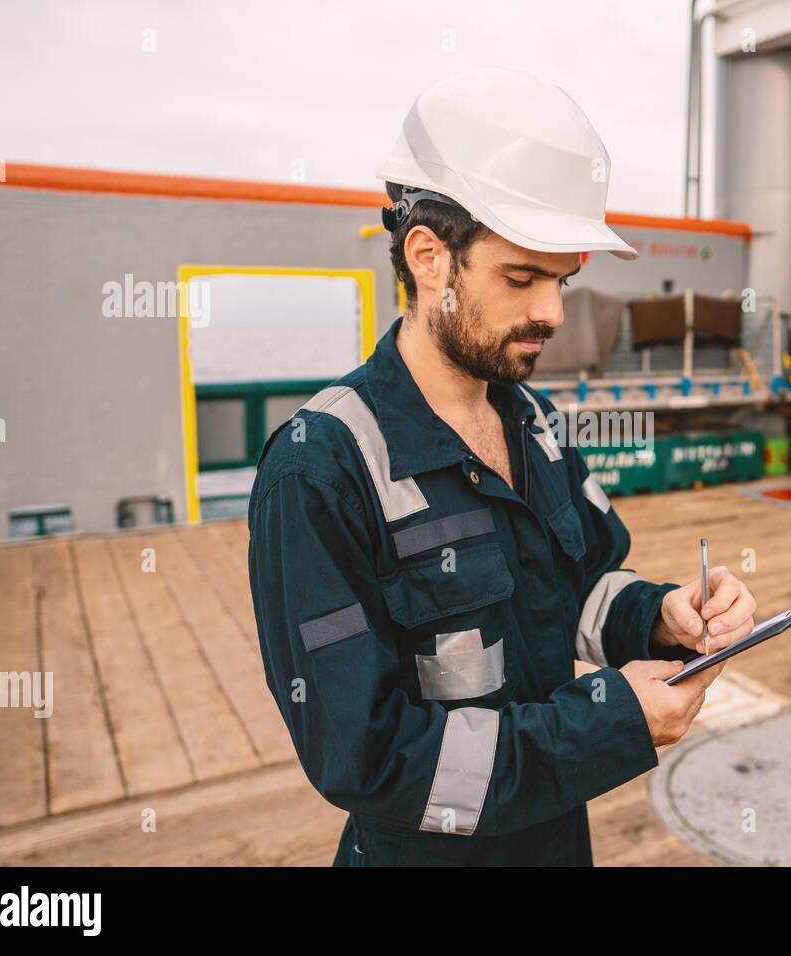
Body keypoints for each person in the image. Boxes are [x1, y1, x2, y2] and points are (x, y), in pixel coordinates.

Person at [247, 67, 757, 866]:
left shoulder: (535, 424)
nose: (552, 312)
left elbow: (579, 587)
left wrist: (664, 615)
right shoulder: (320, 471)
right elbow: (364, 755)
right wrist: (608, 724)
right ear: (429, 259)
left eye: (561, 280)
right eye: (521, 278)